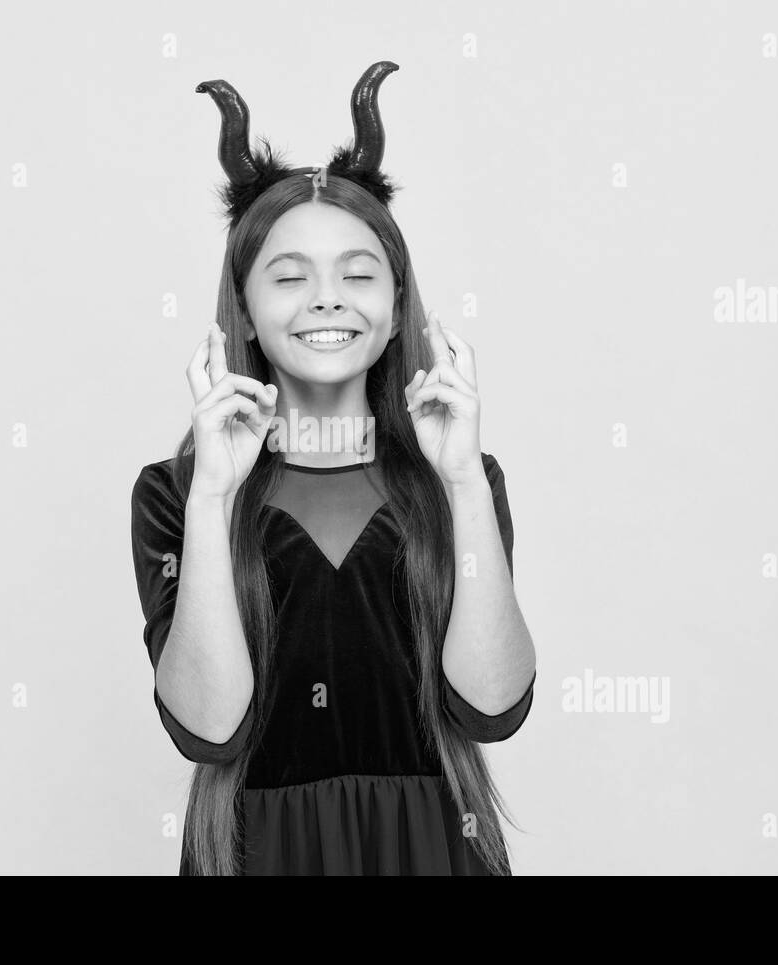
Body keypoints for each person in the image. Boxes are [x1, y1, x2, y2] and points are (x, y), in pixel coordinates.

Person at [130, 61, 537, 875]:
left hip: (431, 846)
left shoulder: (462, 478)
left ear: (395, 309)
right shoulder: (175, 494)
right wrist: (214, 495)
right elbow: (211, 727)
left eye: (358, 273)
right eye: (289, 277)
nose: (327, 298)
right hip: (257, 851)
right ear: (243, 306)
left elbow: (492, 706)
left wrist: (458, 481)